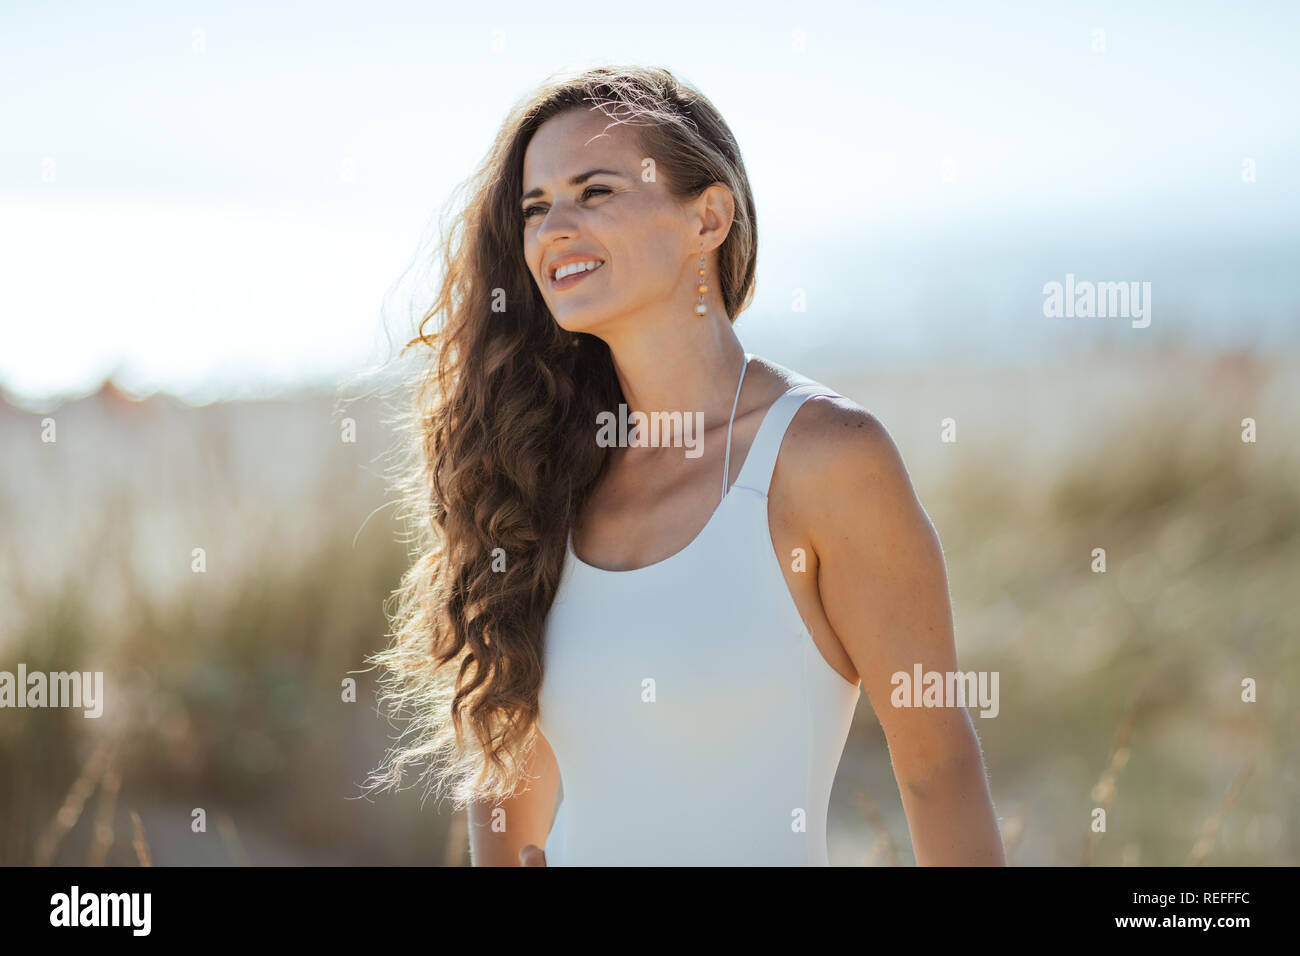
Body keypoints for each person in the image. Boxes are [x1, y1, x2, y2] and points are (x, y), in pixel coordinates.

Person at [367, 65, 1004, 866]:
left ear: (708, 216)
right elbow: (503, 780)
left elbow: (938, 767)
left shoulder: (825, 457)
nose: (553, 227)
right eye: (535, 207)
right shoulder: (546, 473)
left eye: (594, 192)